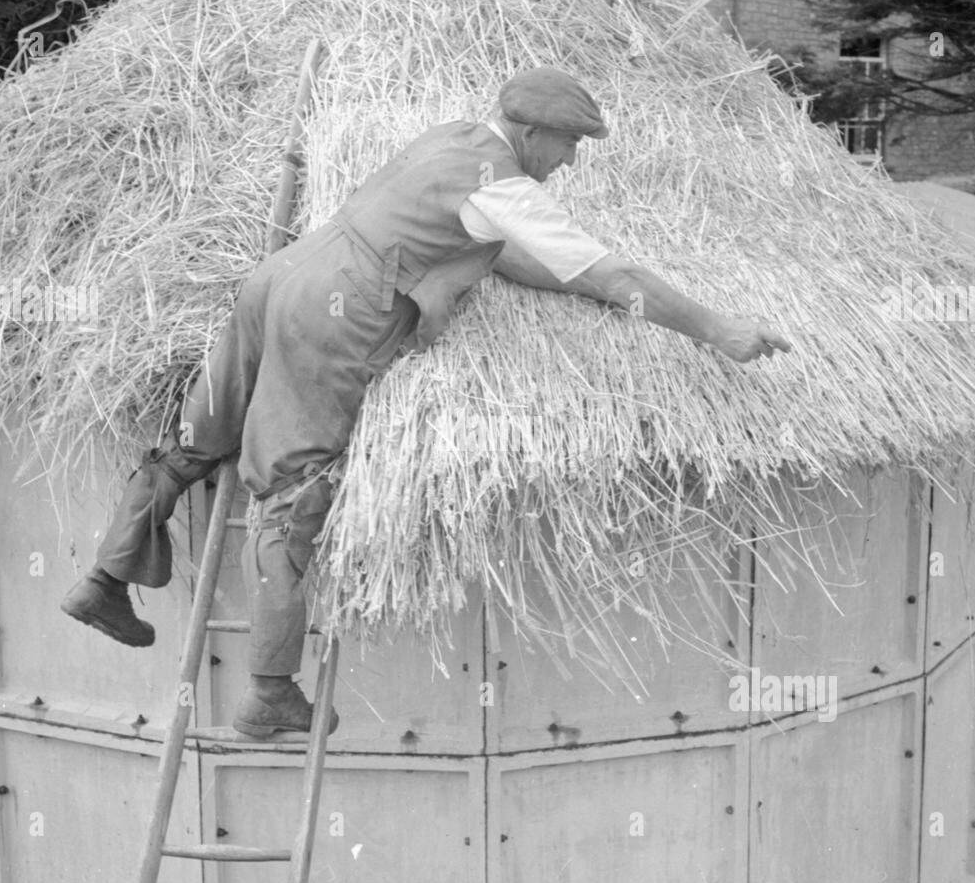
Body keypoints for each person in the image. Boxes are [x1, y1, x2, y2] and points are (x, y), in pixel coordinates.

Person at [61, 66, 791, 738]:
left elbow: (513, 254)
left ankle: (104, 578)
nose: (571, 159)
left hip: (283, 277)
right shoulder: (503, 184)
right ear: (533, 133)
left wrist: (576, 282)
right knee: (290, 493)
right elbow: (616, 272)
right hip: (336, 316)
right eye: (569, 143)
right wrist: (717, 331)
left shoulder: (452, 141)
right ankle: (270, 690)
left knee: (201, 433)